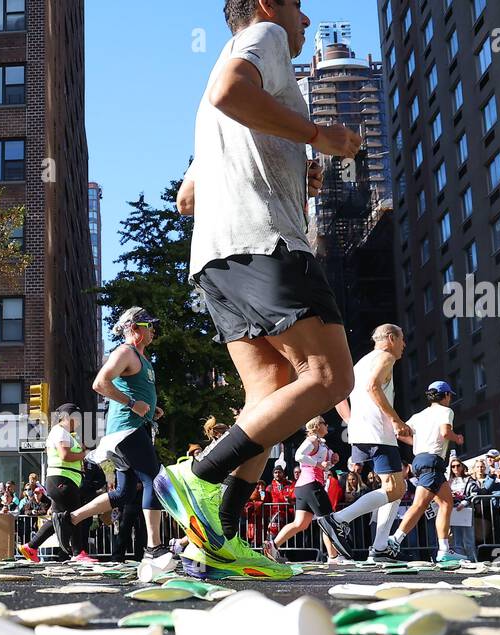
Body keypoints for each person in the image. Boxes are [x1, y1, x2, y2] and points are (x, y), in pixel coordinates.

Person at [160, 0, 358, 578]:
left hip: (215, 257)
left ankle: (212, 537)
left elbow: (187, 197)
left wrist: (293, 167)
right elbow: (231, 91)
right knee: (329, 377)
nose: (307, 21)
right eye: (301, 7)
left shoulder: (216, 96)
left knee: (268, 393)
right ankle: (194, 478)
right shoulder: (264, 35)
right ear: (270, 5)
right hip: (264, 245)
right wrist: (319, 135)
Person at [64, 309, 170, 569]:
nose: (153, 330)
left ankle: (72, 518)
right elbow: (100, 383)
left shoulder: (142, 358)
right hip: (126, 430)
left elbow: (132, 388)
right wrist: (133, 404)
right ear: (134, 328)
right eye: (150, 325)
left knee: (123, 492)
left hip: (133, 428)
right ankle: (153, 548)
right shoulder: (125, 352)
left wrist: (151, 407)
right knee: (154, 479)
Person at [322, 325, 411, 560]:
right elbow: (373, 386)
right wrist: (396, 419)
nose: (404, 345)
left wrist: (351, 421)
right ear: (391, 338)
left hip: (361, 432)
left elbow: (340, 394)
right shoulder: (386, 356)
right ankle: (338, 520)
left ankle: (380, 547)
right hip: (378, 432)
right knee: (395, 488)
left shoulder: (361, 362)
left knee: (396, 488)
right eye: (402, 340)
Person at [385, 382, 468, 563]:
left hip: (422, 460)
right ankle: (394, 540)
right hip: (432, 460)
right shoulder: (446, 411)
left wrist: (417, 443)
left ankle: (444, 549)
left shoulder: (419, 415)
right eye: (450, 395)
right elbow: (445, 432)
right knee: (420, 505)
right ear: (445, 395)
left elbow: (399, 433)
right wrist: (458, 438)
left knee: (446, 503)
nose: (451, 398)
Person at [20, 404, 94, 563]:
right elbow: (65, 455)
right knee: (75, 516)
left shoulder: (64, 433)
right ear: (67, 417)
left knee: (59, 518)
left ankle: (31, 547)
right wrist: (84, 454)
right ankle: (78, 553)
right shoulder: (60, 432)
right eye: (77, 418)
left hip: (62, 480)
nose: (79, 423)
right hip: (62, 480)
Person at [272, 416, 341, 562]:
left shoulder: (321, 443)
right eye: (324, 423)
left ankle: (272, 546)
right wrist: (318, 464)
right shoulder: (312, 440)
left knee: (300, 523)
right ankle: (333, 556)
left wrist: (332, 462)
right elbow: (298, 456)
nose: (327, 425)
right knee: (327, 520)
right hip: (311, 485)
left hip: (304, 487)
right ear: (317, 426)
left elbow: (323, 466)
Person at [448, 458, 480, 560]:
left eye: (458, 465)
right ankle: (461, 560)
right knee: (457, 539)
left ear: (462, 467)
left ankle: (472, 560)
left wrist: (464, 502)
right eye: (453, 466)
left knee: (468, 538)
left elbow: (475, 493)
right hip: (453, 510)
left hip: (466, 510)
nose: (456, 468)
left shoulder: (469, 480)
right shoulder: (448, 482)